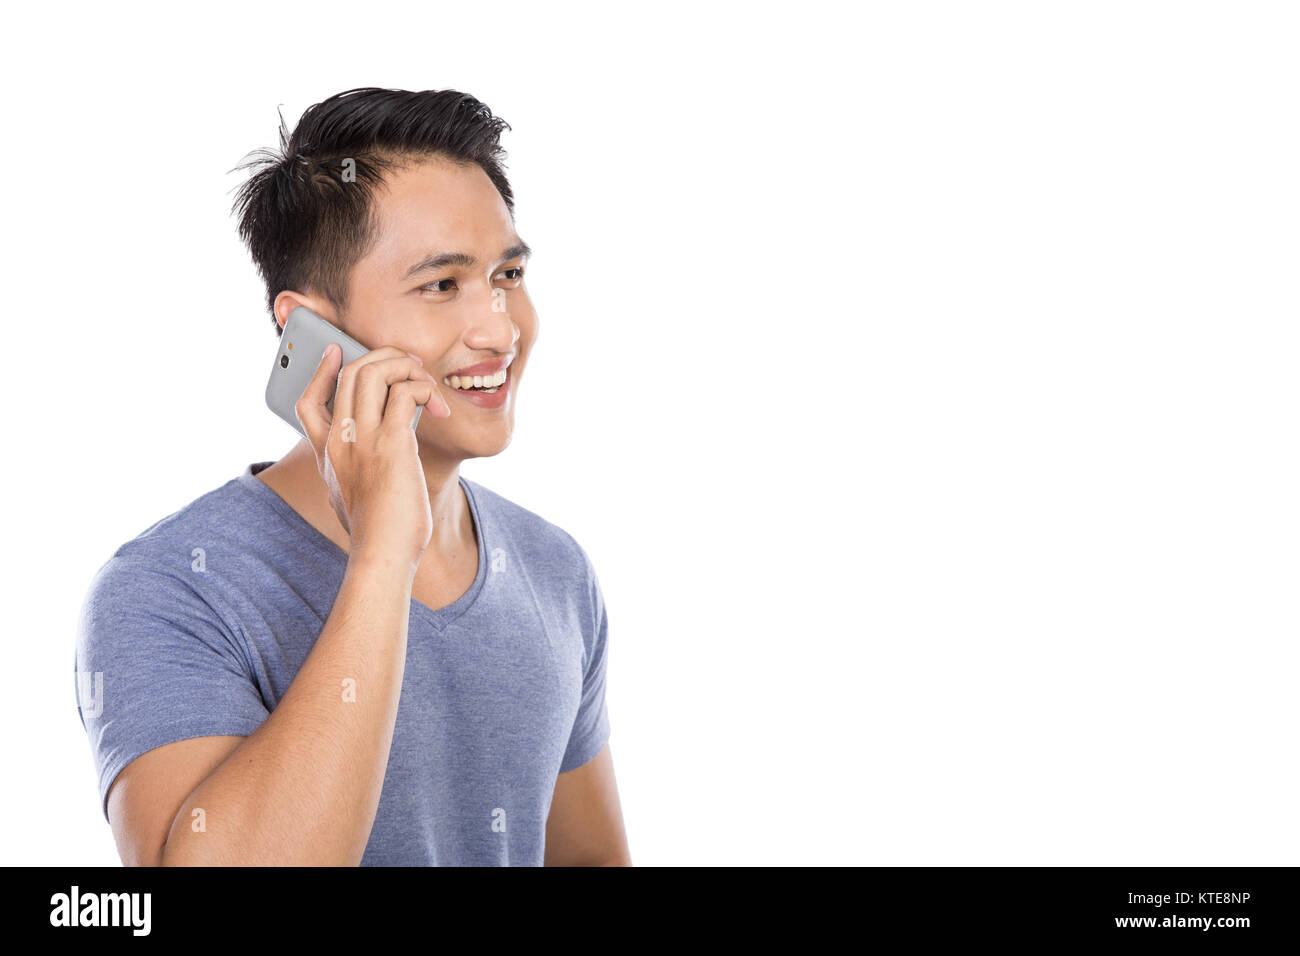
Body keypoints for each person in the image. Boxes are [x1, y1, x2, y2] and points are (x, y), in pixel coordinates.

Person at [74, 87, 630, 866]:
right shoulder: (169, 587)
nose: (499, 329)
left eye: (506, 274)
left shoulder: (553, 570)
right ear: (310, 330)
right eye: (442, 285)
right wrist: (382, 556)